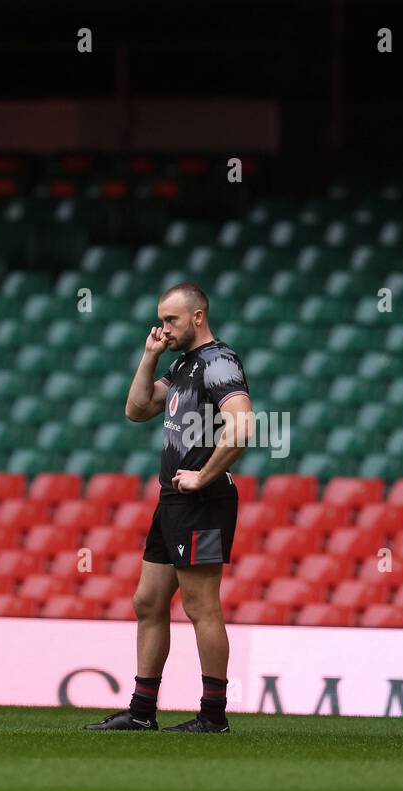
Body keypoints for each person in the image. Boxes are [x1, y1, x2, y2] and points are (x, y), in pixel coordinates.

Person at [84, 282, 252, 733]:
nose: (164, 327)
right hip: (173, 499)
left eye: (171, 320)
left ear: (198, 317)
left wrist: (203, 476)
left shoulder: (218, 361)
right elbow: (137, 410)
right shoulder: (182, 365)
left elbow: (243, 427)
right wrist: (150, 356)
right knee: (148, 601)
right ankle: (141, 712)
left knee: (201, 607)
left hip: (201, 500)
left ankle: (213, 716)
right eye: (161, 320)